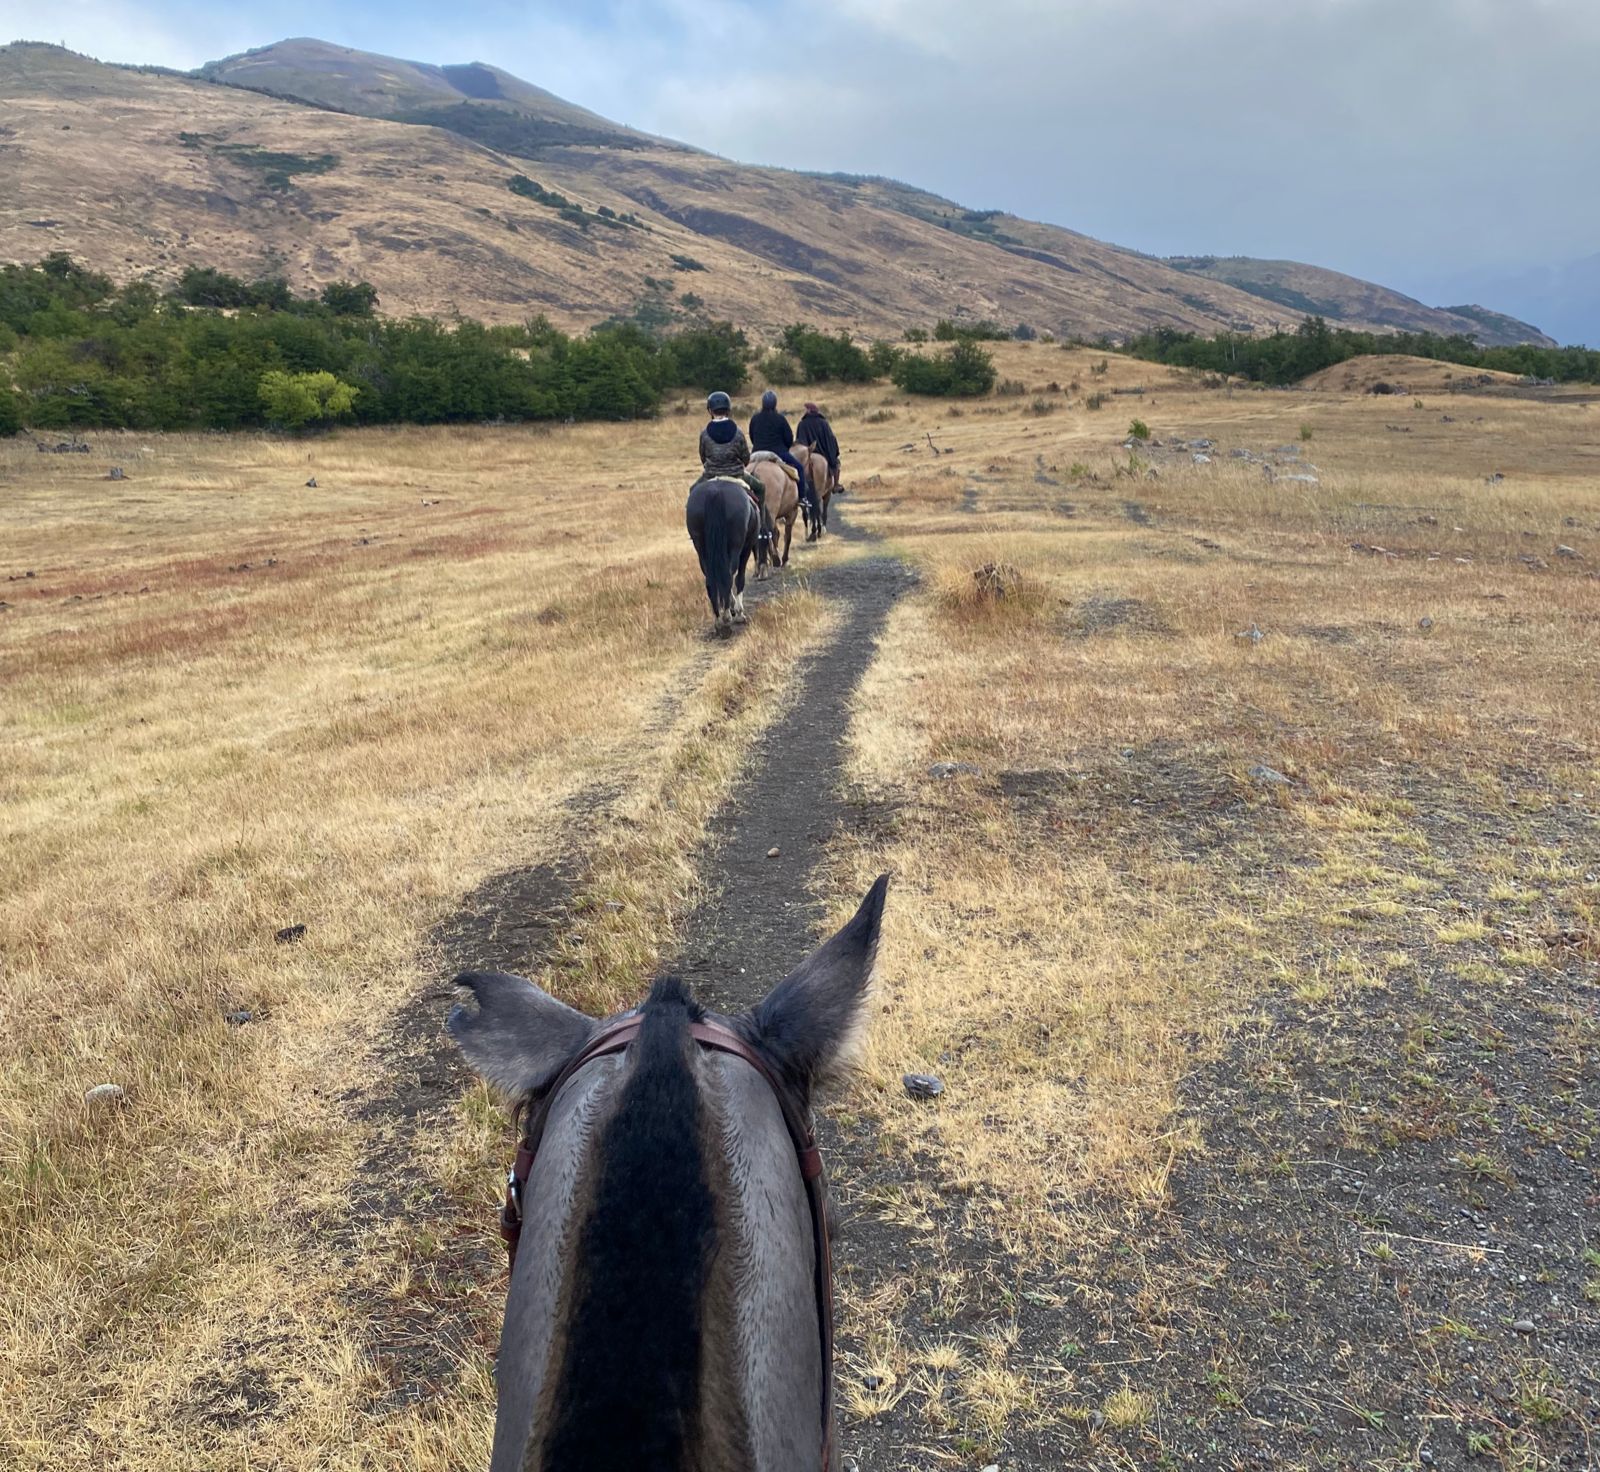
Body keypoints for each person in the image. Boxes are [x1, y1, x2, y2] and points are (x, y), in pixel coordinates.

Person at [748, 389, 815, 520]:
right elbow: (789, 438)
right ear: (775, 404)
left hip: (756, 453)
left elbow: (751, 436)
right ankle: (802, 498)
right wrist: (784, 447)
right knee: (799, 469)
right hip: (778, 452)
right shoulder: (780, 419)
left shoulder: (755, 418)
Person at [697, 390, 764, 502]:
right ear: (728, 410)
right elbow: (746, 459)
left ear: (710, 410)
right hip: (736, 475)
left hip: (711, 475)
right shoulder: (738, 432)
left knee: (693, 491)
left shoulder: (704, 434)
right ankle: (762, 519)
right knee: (760, 488)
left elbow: (703, 458)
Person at [796, 400, 840, 494]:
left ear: (809, 411)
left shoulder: (802, 424)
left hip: (807, 453)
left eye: (806, 409)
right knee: (837, 464)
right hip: (823, 453)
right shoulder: (824, 423)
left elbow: (800, 441)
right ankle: (836, 485)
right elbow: (831, 439)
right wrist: (833, 453)